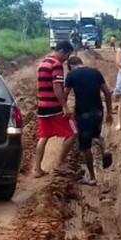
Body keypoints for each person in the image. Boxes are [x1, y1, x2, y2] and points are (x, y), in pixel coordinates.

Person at [63, 56, 114, 185]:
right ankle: (105, 149)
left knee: (85, 147)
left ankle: (92, 177)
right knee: (96, 134)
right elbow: (107, 93)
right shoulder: (95, 72)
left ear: (70, 66)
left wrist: (65, 109)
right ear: (81, 62)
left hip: (83, 113)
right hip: (98, 111)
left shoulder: (71, 75)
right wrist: (109, 112)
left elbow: (64, 95)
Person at [32, 41, 76, 177]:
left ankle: (37, 169)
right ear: (63, 51)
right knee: (73, 132)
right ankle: (60, 164)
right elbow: (57, 88)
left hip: (42, 106)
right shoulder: (56, 65)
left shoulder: (43, 63)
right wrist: (64, 106)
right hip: (54, 107)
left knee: (43, 137)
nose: (66, 59)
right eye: (67, 55)